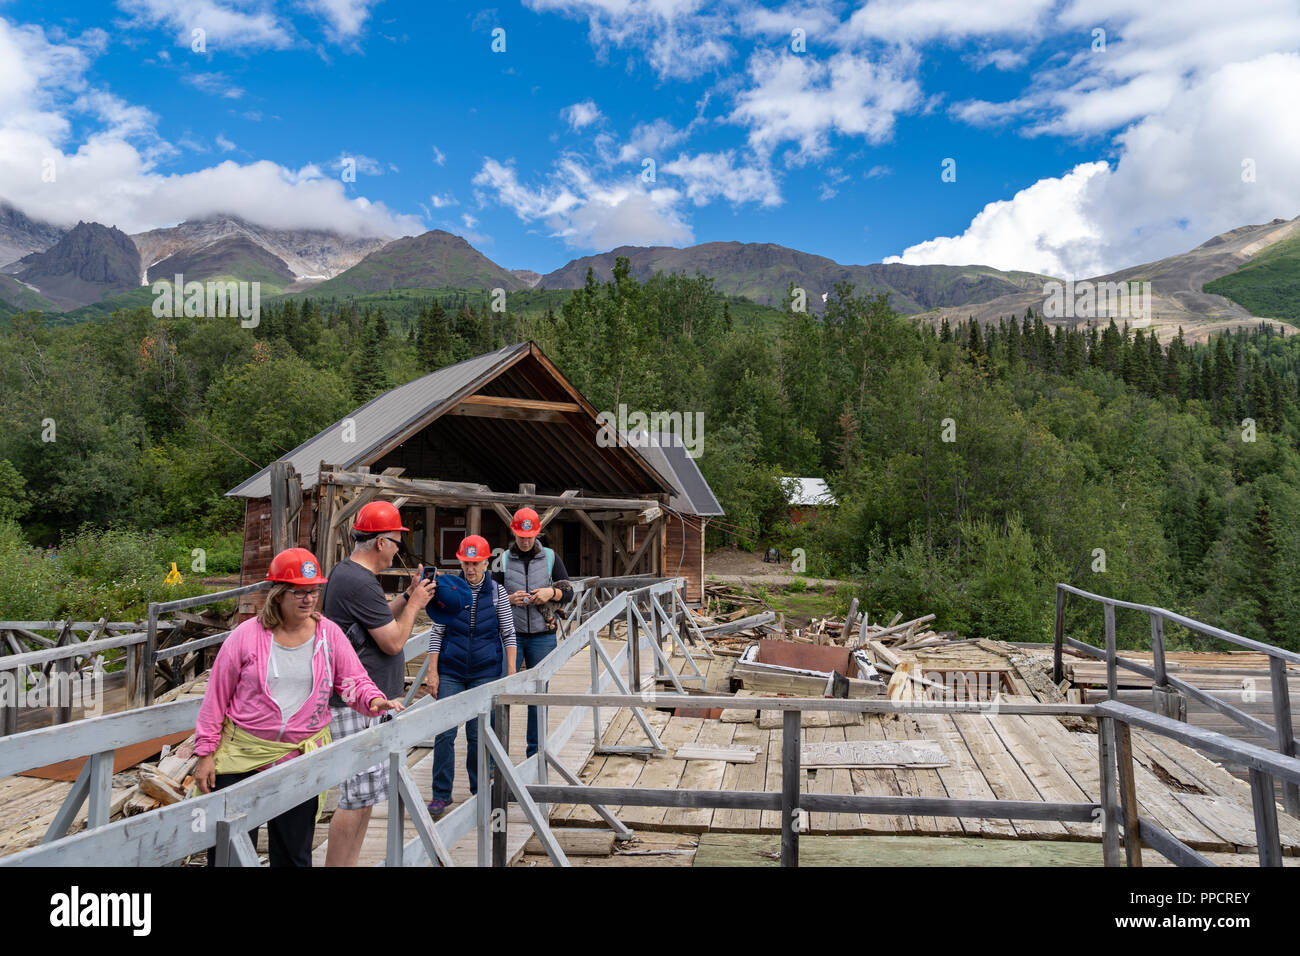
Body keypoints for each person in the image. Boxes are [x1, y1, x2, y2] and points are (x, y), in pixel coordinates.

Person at [194, 547, 404, 867]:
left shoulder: (328, 634)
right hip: (242, 754)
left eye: (314, 591)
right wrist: (206, 753)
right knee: (229, 856)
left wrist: (373, 700)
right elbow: (216, 698)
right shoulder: (245, 637)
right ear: (277, 594)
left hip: (298, 757)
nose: (308, 600)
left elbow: (353, 680)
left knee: (293, 855)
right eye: (299, 592)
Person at [322, 500, 434, 867]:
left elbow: (377, 619)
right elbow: (393, 641)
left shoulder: (349, 574)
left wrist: (404, 596)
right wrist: (416, 604)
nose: (399, 549)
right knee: (355, 796)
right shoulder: (359, 581)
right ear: (381, 543)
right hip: (356, 703)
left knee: (366, 794)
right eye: (397, 541)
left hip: (367, 701)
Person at [422, 534, 517, 817]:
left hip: (485, 670)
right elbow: (437, 632)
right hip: (451, 668)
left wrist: (510, 672)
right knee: (444, 731)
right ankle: (441, 793)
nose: (470, 568)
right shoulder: (449, 589)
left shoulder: (498, 593)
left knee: (478, 734)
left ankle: (479, 790)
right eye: (466, 562)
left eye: (475, 563)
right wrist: (432, 672)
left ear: (486, 562)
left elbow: (509, 633)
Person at [494, 507, 573, 758]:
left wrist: (551, 593)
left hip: (542, 635)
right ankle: (497, 758)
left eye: (529, 536)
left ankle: (535, 756)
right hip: (511, 635)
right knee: (501, 695)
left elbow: (569, 592)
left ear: (537, 533)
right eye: (520, 536)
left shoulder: (550, 557)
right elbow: (488, 597)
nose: (525, 541)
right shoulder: (502, 559)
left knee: (539, 697)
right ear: (514, 533)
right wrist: (509, 598)